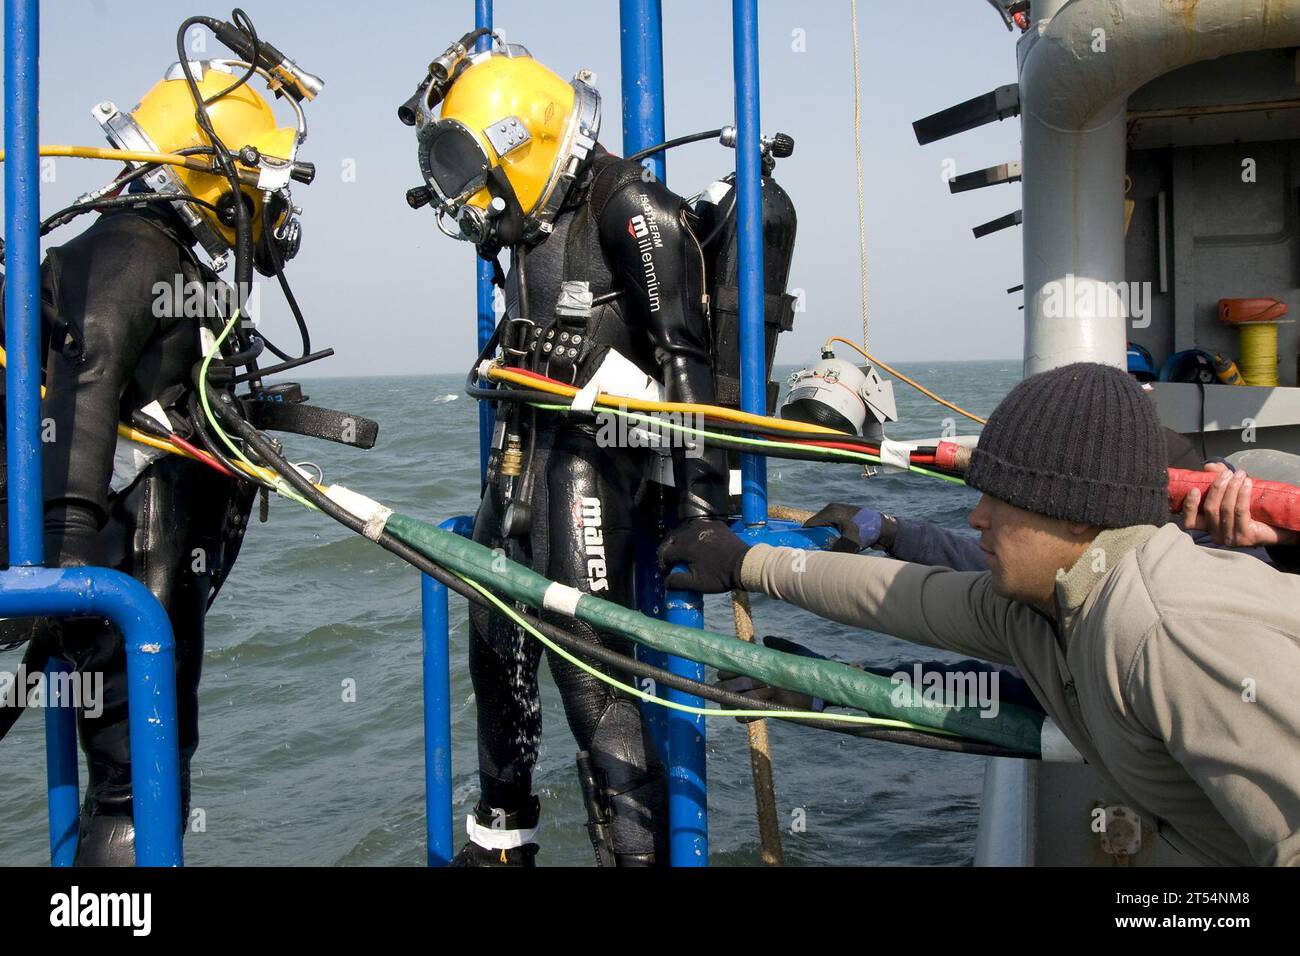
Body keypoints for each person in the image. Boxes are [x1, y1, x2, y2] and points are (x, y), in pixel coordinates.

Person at [661, 362, 1300, 866]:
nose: (976, 518)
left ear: (1076, 511)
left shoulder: (1170, 635)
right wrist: (750, 564)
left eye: (1003, 499)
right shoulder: (1049, 600)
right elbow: (908, 595)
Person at [400, 30, 729, 865]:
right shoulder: (528, 224)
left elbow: (688, 362)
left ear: (528, 144)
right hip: (520, 453)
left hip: (594, 459)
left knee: (592, 679)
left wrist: (700, 511)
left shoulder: (631, 207)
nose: (475, 203)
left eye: (479, 176)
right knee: (492, 646)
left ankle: (637, 854)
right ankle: (501, 838)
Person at [0, 19, 323, 864]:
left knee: (140, 772)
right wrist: (63, 558)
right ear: (215, 170)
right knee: (135, 782)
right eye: (264, 184)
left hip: (129, 552)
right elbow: (91, 376)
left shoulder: (150, 251)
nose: (271, 211)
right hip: (116, 557)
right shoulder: (133, 254)